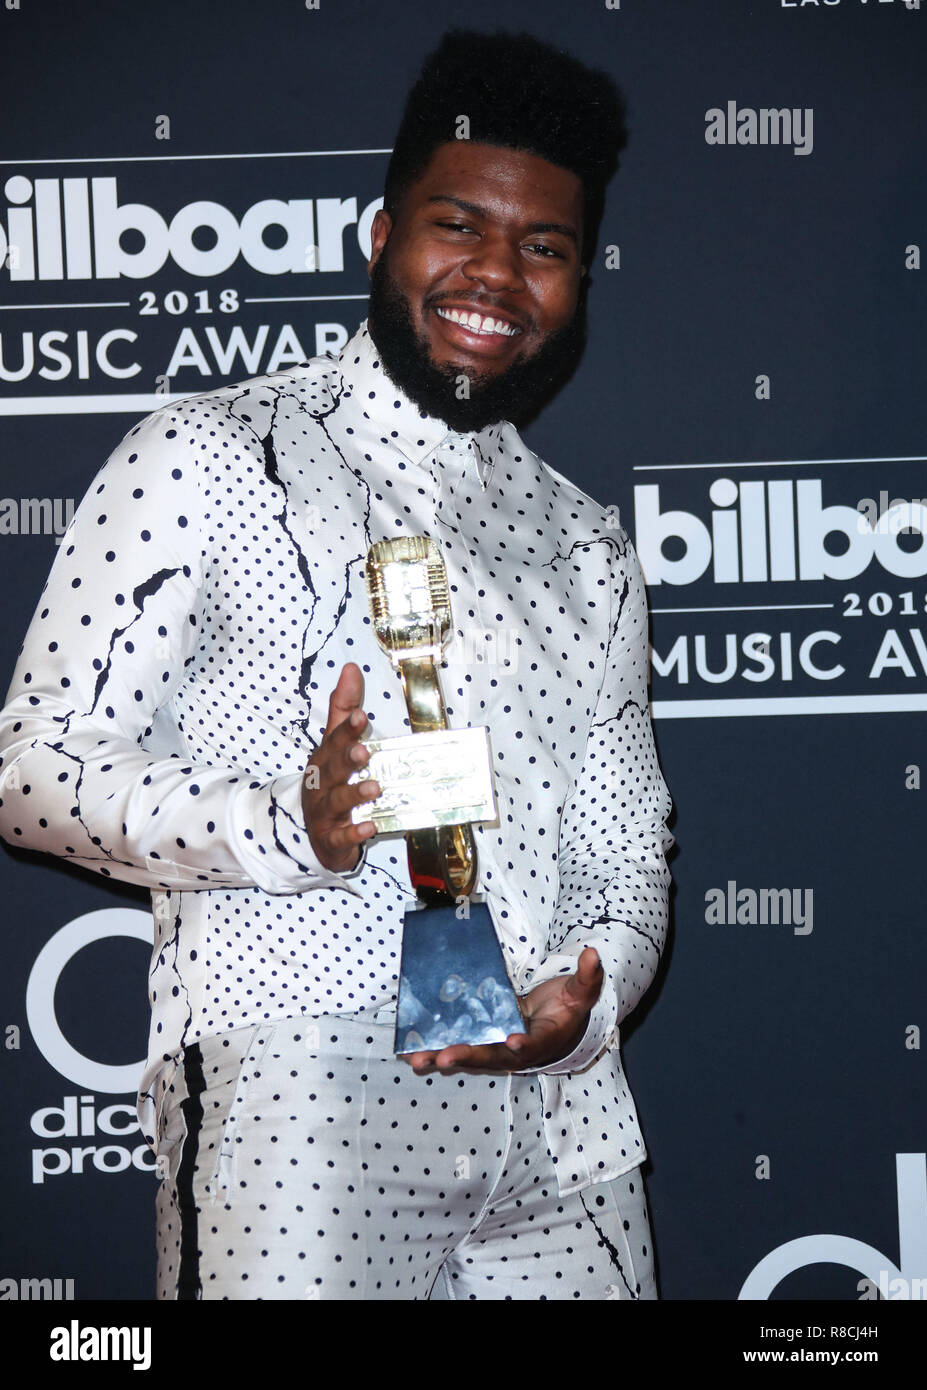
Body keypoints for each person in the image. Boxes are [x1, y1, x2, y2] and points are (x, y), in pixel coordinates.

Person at [0, 28, 674, 1301]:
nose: (494, 275)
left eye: (544, 248)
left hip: (564, 1126)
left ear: (581, 278)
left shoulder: (588, 546)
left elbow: (628, 852)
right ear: (379, 235)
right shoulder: (209, 453)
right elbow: (32, 765)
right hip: (303, 1101)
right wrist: (286, 826)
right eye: (456, 225)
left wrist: (588, 987)